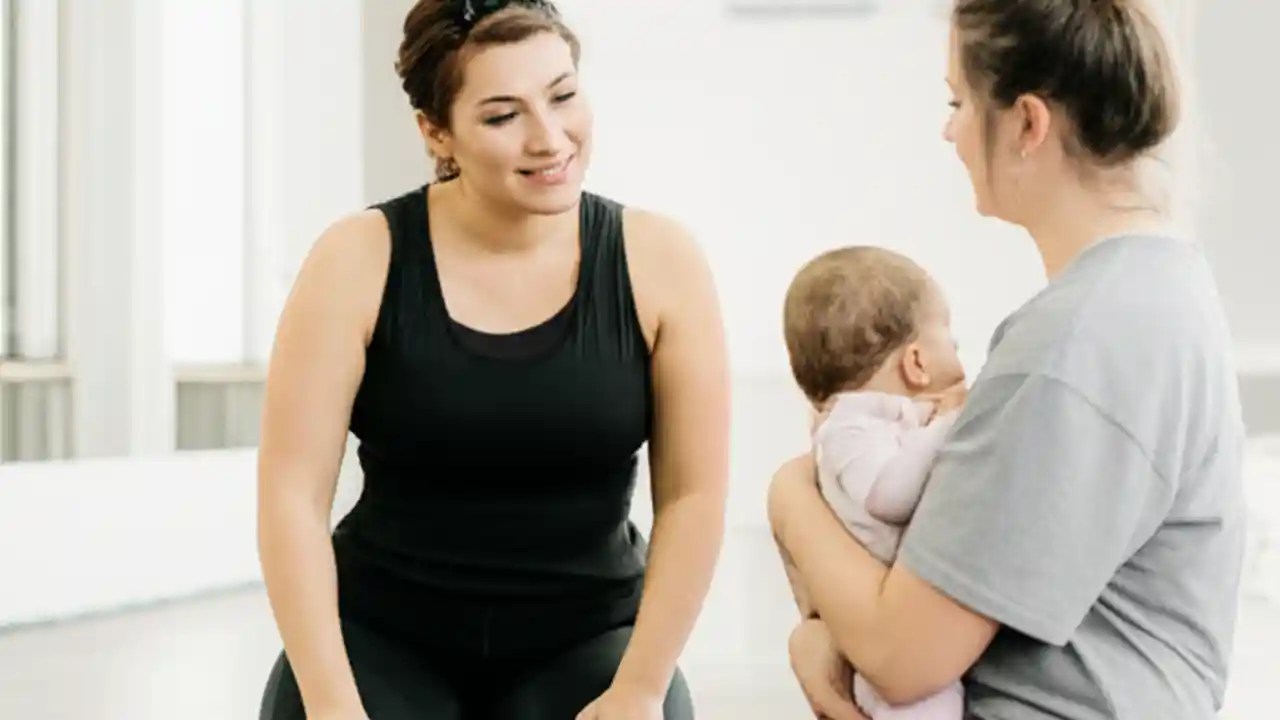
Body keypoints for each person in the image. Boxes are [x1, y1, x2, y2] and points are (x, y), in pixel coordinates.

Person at [768, 1, 1247, 719]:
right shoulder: (1164, 284)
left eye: (959, 101)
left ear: (1027, 123)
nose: (949, 129)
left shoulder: (1069, 346)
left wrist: (788, 493)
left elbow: (902, 658)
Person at [254, 1, 729, 718]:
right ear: (435, 133)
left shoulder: (661, 260)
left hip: (588, 638)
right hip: (380, 637)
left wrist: (639, 687)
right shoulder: (356, 260)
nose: (550, 138)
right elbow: (291, 495)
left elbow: (694, 497)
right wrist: (331, 704)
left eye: (563, 96)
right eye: (503, 116)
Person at [780, 246, 968, 719]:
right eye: (954, 343)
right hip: (886, 656)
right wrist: (950, 426)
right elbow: (888, 495)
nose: (962, 362)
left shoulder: (883, 424)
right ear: (917, 362)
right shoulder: (847, 428)